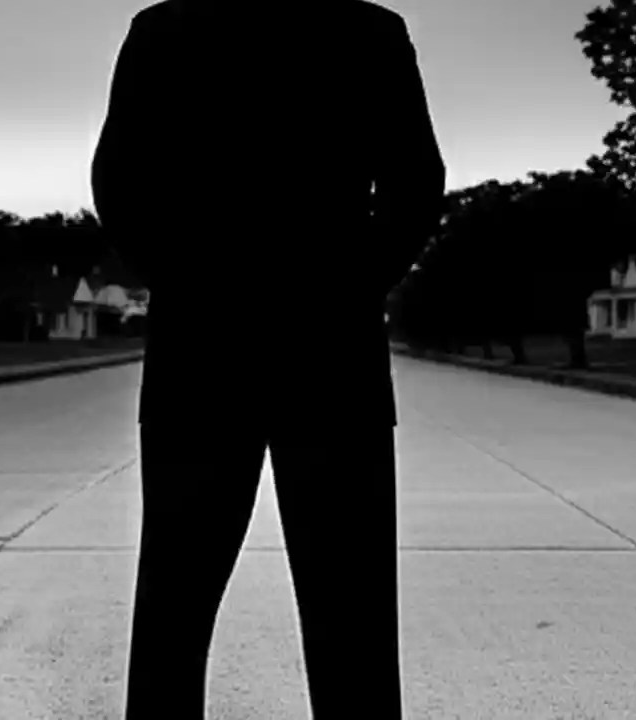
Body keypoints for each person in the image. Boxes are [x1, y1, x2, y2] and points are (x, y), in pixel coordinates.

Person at [91, 0, 445, 717]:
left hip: (204, 344)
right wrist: (351, 284)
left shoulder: (166, 29)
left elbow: (119, 183)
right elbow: (417, 186)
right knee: (350, 603)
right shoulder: (366, 30)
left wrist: (187, 279)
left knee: (175, 597)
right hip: (328, 346)